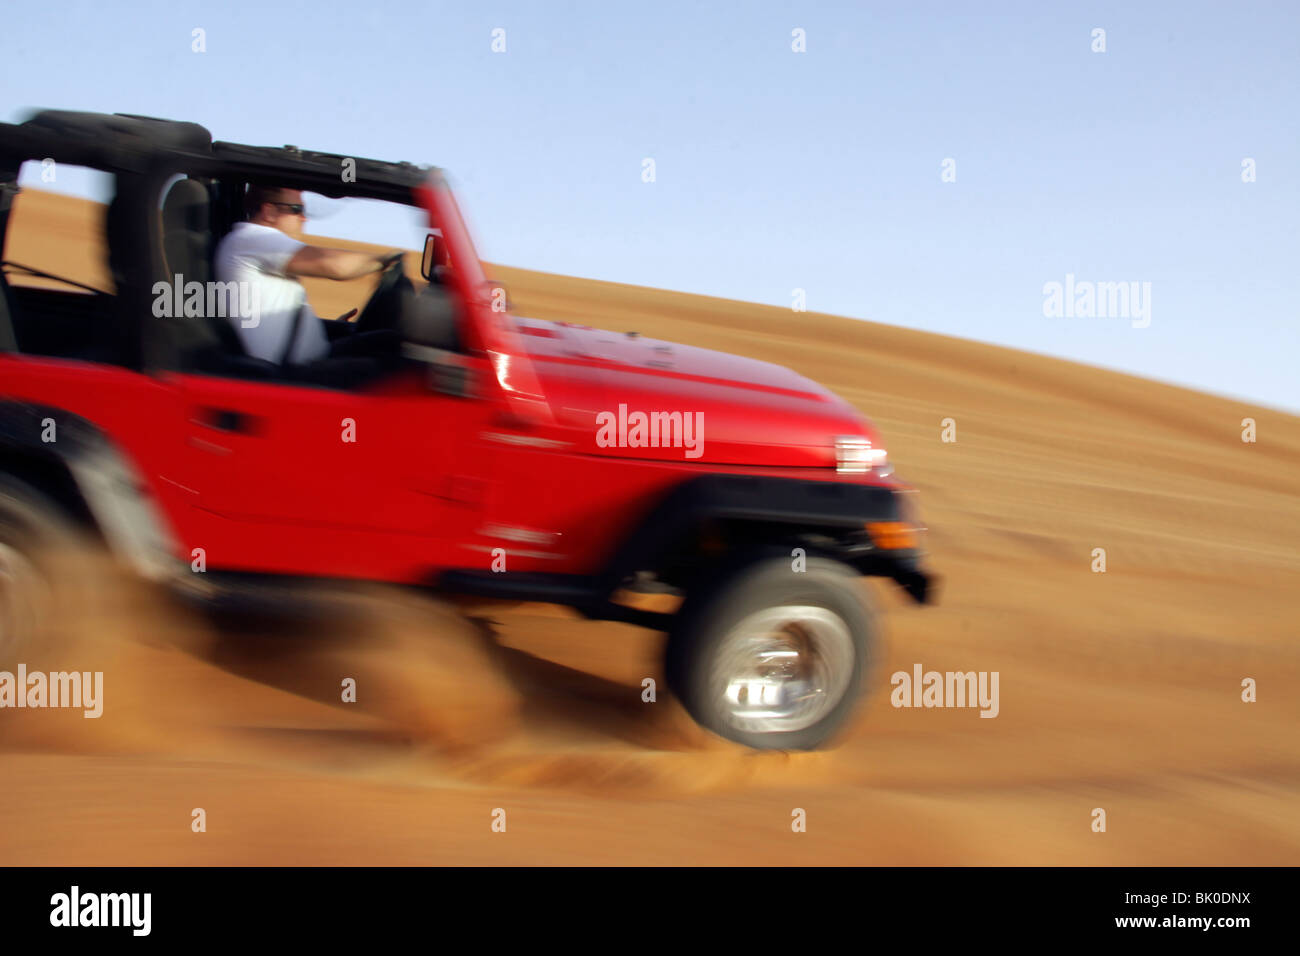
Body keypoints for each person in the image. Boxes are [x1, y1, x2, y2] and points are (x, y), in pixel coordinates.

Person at [213, 185, 403, 365]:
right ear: (269, 212)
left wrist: (316, 329)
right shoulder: (254, 238)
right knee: (390, 362)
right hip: (288, 376)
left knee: (387, 341)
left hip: (310, 361)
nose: (304, 218)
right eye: (296, 209)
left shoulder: (251, 243)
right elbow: (336, 266)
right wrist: (386, 259)